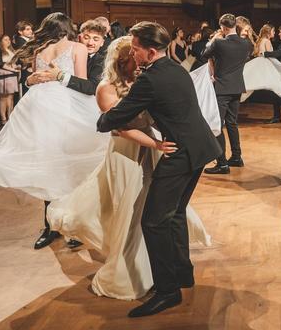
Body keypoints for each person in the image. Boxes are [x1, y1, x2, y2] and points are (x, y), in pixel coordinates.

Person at [48, 36, 212, 302]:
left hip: (155, 150)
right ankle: (135, 272)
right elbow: (118, 126)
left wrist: (159, 144)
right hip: (126, 153)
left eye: (137, 57)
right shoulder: (107, 87)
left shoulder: (147, 80)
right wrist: (155, 143)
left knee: (157, 214)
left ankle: (168, 273)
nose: (135, 64)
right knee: (131, 211)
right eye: (130, 59)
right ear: (120, 60)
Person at [95, 22, 221, 317]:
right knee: (175, 213)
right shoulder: (175, 68)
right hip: (202, 147)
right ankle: (182, 274)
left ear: (150, 52)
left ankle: (167, 291)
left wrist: (102, 120)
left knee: (153, 222)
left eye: (135, 48)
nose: (132, 52)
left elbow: (116, 117)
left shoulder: (149, 80)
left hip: (180, 154)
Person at [0, 13, 109, 248]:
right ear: (69, 29)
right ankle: (56, 225)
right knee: (64, 165)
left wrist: (34, 81)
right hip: (66, 108)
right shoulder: (76, 48)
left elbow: (33, 78)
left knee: (42, 160)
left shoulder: (39, 50)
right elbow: (82, 83)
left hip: (38, 107)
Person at [202, 14, 251, 175]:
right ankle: (237, 157)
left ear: (223, 27)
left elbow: (204, 54)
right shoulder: (246, 43)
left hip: (222, 88)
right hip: (237, 88)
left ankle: (222, 163)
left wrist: (215, 38)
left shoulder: (218, 42)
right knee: (232, 123)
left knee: (216, 125)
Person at [0, 34, 19, 124]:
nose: (8, 41)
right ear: (0, 41)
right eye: (5, 39)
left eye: (9, 39)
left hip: (12, 75)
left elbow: (16, 62)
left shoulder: (11, 50)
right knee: (3, 97)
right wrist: (12, 69)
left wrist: (16, 66)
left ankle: (10, 116)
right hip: (3, 75)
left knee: (10, 97)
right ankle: (3, 118)